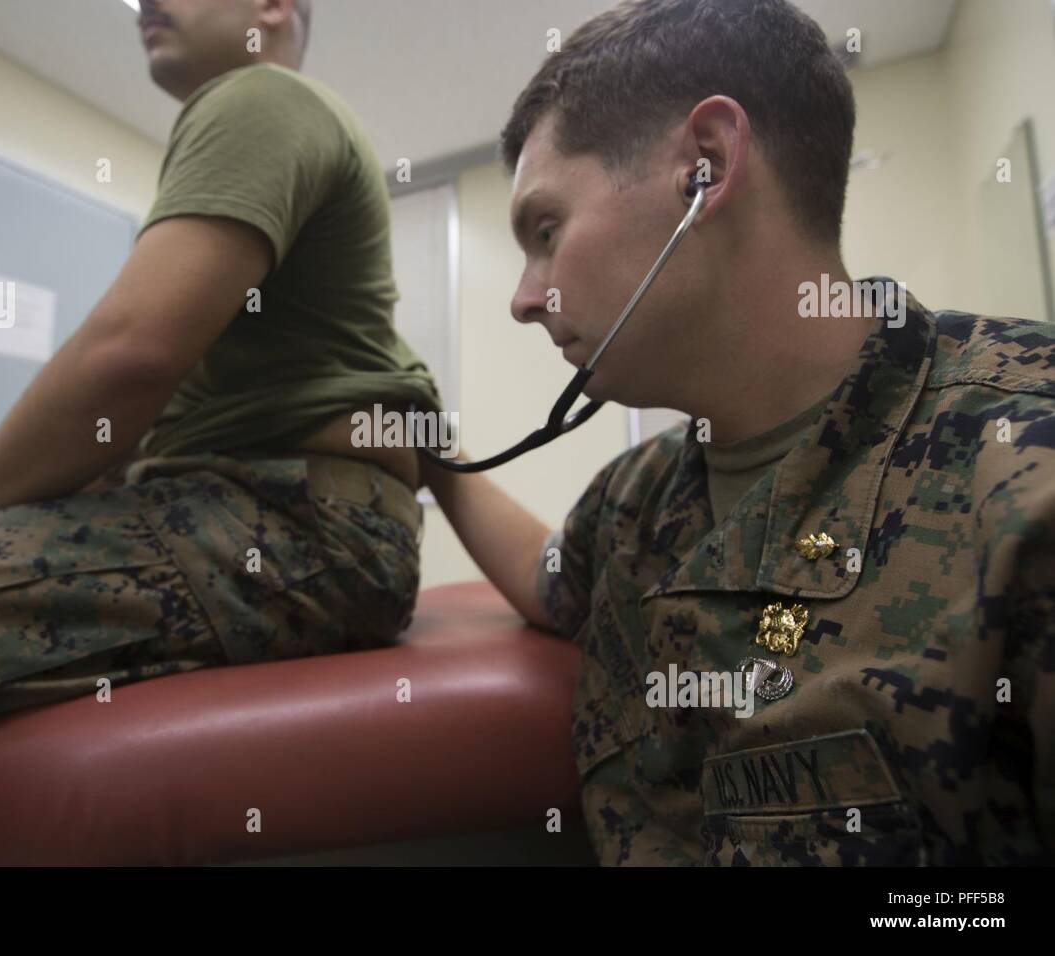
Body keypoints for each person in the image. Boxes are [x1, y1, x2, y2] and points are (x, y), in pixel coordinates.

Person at [0, 0, 440, 864]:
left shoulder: (262, 98)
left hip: (292, 531)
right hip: (292, 527)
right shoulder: (267, 134)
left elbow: (126, 355)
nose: (146, 2)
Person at [422, 0, 1055, 865]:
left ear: (705, 169)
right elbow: (548, 583)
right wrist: (430, 457)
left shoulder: (1023, 465)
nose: (524, 298)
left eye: (545, 231)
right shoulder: (636, 500)